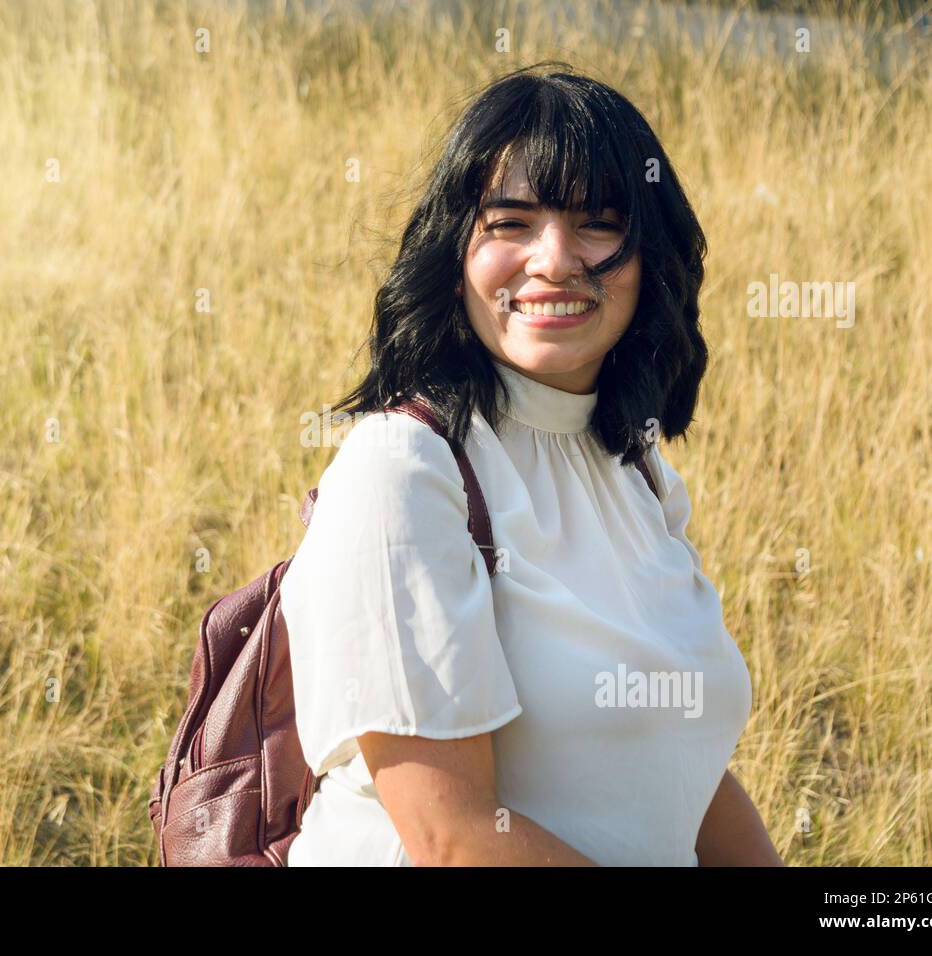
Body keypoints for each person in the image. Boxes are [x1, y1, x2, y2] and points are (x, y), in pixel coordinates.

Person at [279, 62, 783, 866]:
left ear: (650, 257)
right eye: (510, 223)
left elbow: (683, 766)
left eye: (599, 223)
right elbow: (455, 839)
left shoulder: (638, 469)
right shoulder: (402, 470)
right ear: (455, 254)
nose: (553, 260)